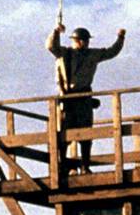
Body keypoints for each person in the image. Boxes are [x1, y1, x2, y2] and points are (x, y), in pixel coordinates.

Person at [46, 23, 126, 172]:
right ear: (75, 40)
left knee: (86, 134)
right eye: (81, 40)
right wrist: (56, 31)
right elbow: (50, 46)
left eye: (86, 40)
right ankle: (62, 166)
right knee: (64, 135)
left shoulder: (92, 54)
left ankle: (85, 166)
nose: (84, 43)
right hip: (67, 98)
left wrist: (120, 38)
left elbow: (111, 52)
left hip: (84, 99)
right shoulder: (64, 53)